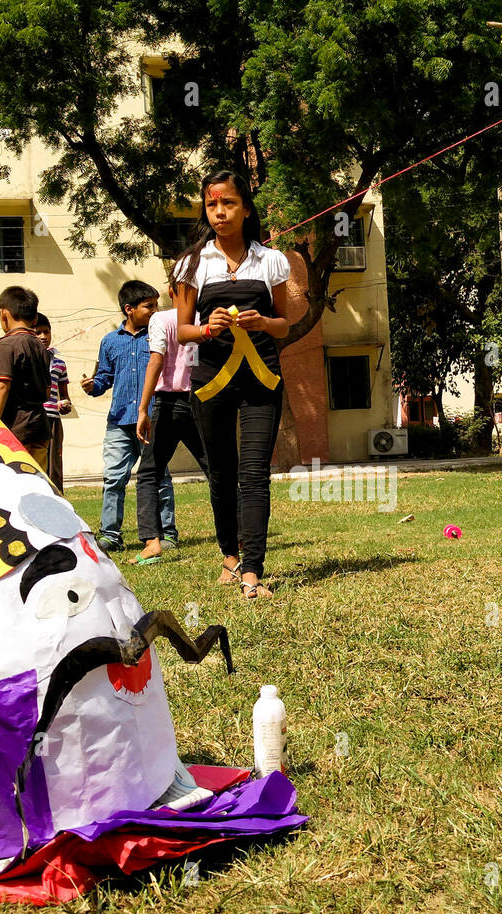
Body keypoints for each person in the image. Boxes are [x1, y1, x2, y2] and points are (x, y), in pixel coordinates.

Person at [173, 170, 290, 601]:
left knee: (255, 473)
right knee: (222, 474)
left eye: (228, 204)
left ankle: (253, 571)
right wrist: (207, 329)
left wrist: (263, 321)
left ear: (245, 208)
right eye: (211, 205)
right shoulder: (190, 263)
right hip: (211, 383)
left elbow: (284, 325)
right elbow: (181, 330)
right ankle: (228, 554)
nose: (219, 212)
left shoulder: (272, 260)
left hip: (262, 380)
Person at [133, 270, 213, 565]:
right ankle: (239, 536)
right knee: (217, 470)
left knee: (150, 473)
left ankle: (152, 542)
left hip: (168, 403)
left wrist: (143, 408)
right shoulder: (209, 319)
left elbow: (156, 360)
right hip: (204, 400)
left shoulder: (161, 319)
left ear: (170, 291)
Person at [81, 281, 161, 553]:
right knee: (114, 477)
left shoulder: (158, 337)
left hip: (151, 419)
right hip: (119, 421)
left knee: (158, 477)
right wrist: (93, 386)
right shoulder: (110, 341)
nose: (155, 310)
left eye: (156, 305)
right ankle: (111, 535)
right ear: (129, 309)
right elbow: (104, 378)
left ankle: (165, 533)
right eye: (149, 306)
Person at [0, 286, 52, 471]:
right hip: (40, 428)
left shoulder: (6, 344)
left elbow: (2, 387)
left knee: (16, 485)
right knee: (38, 483)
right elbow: (47, 391)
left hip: (16, 430)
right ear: (34, 318)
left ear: (4, 314)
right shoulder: (40, 345)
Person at [33, 313, 71, 493]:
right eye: (38, 332)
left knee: (54, 465)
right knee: (34, 463)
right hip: (32, 419)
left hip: (53, 420)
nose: (43, 337)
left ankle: (57, 500)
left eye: (46, 332)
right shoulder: (27, 359)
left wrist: (65, 404)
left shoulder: (59, 364)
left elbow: (65, 395)